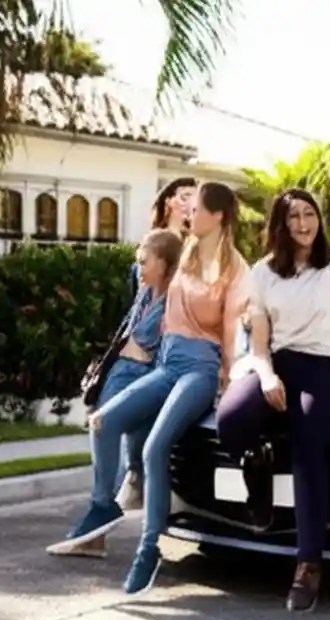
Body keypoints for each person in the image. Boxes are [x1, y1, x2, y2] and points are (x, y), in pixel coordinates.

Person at [215, 188, 330, 613]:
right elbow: (259, 347)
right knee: (230, 420)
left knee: (309, 445)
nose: (303, 223)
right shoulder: (262, 273)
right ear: (280, 224)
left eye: (309, 214)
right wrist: (268, 376)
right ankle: (258, 466)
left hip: (326, 368)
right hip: (279, 363)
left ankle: (308, 564)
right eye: (293, 216)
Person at [86, 181, 252, 596]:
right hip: (166, 365)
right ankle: (103, 505)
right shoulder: (186, 255)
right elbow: (151, 260)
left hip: (200, 370)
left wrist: (226, 381)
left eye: (195, 209)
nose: (188, 214)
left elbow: (231, 331)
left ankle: (150, 548)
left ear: (218, 216)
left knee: (153, 448)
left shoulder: (235, 269)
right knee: (103, 421)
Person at [44, 229, 186, 558]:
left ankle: (104, 510)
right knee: (120, 451)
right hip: (120, 372)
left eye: (145, 260)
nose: (138, 266)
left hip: (143, 375)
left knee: (117, 437)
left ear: (165, 264)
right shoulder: (144, 291)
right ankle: (98, 534)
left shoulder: (175, 299)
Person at [117, 177, 198, 511]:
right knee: (131, 411)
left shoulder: (200, 247)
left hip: (180, 342)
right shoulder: (151, 248)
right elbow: (142, 301)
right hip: (147, 343)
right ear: (168, 202)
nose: (190, 204)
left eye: (195, 199)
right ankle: (135, 477)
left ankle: (146, 484)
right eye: (183, 197)